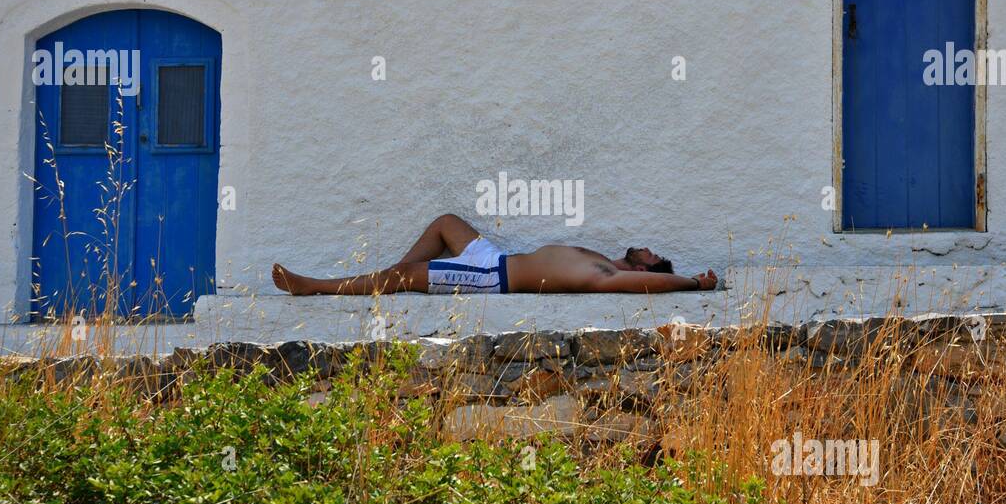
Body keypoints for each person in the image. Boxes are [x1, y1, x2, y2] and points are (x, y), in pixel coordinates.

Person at [272, 213, 717, 296]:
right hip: (495, 258)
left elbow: (656, 285)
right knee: (446, 222)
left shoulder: (607, 277)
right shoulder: (603, 259)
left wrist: (695, 282)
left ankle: (315, 288)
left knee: (405, 274)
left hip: (492, 280)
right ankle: (394, 280)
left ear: (645, 266)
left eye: (654, 254)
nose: (650, 248)